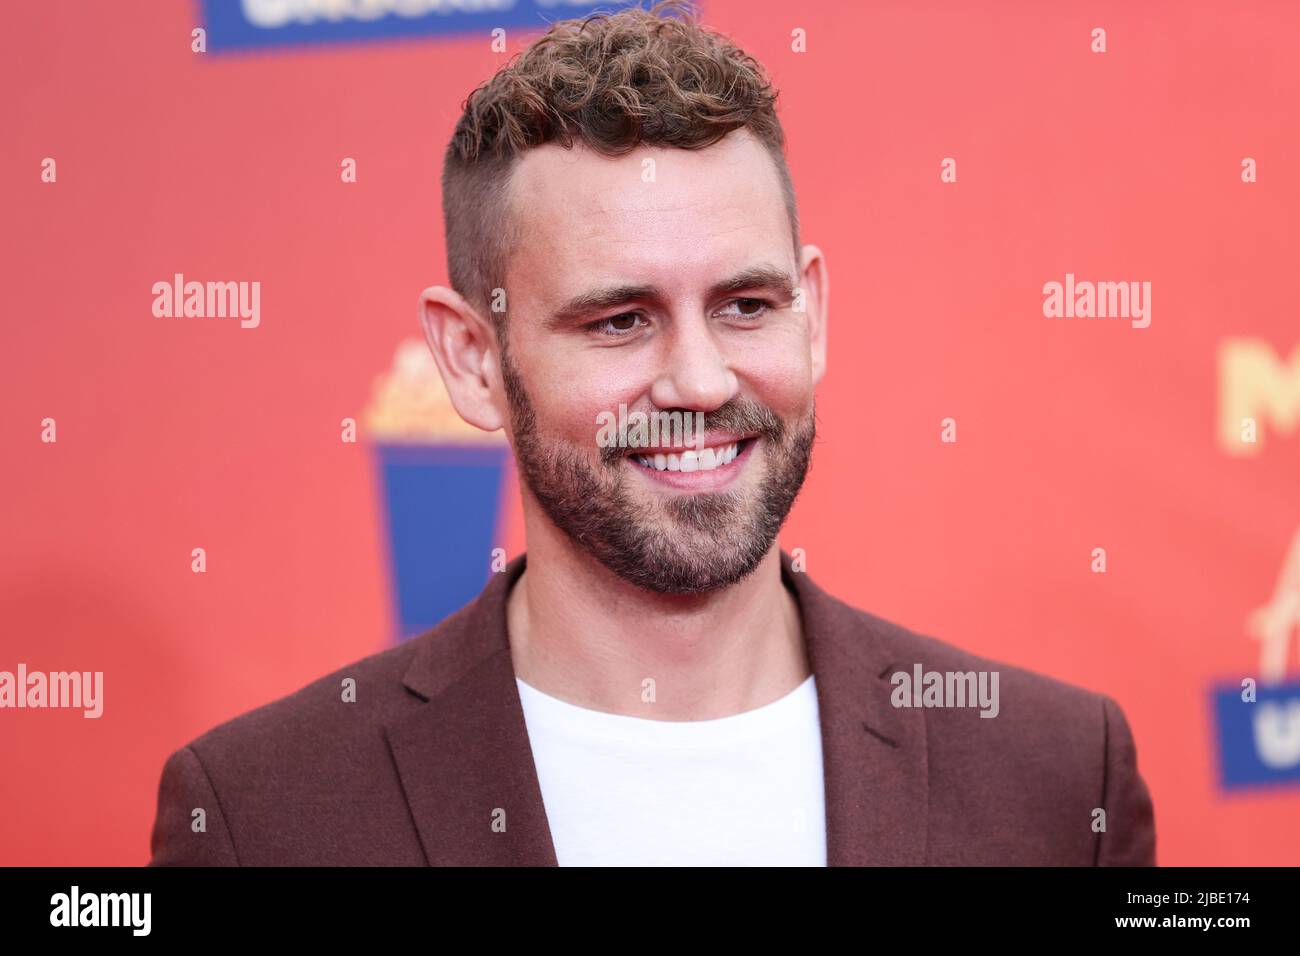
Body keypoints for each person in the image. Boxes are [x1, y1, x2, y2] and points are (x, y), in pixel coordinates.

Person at [149, 0, 1156, 866]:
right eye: (618, 320)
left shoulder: (1055, 775)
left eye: (746, 305)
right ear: (470, 358)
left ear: (812, 311)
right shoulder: (265, 814)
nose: (701, 378)